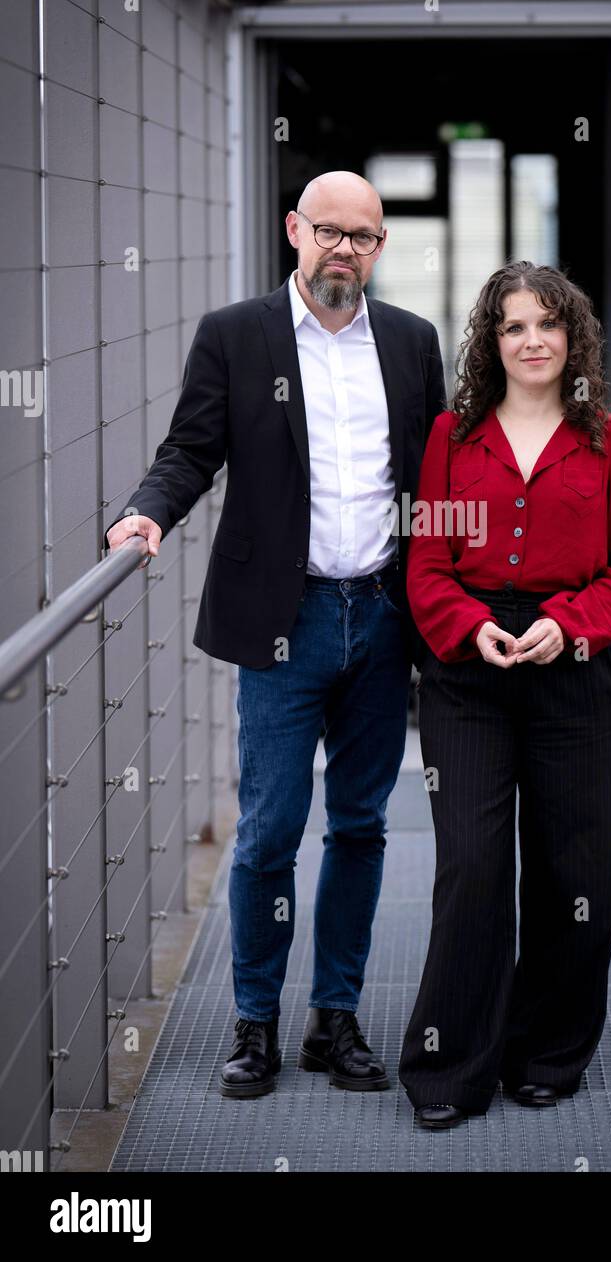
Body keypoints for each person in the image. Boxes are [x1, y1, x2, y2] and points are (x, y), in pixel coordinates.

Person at [103, 171, 445, 1098]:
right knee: (266, 833)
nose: (344, 248)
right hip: (281, 624)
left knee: (363, 826)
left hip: (380, 616)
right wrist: (147, 515)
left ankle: (335, 1020)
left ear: (379, 247)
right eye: (327, 230)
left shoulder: (412, 344)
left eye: (363, 236)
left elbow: (434, 482)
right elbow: (190, 449)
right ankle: (255, 1024)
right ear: (294, 230)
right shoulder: (236, 335)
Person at [397, 260, 611, 1128]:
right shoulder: (452, 438)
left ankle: (546, 1052)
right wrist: (469, 624)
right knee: (470, 867)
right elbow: (426, 562)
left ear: (573, 338)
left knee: (572, 871)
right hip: (469, 673)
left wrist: (572, 623)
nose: (532, 340)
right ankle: (448, 1067)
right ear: (491, 341)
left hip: (578, 671)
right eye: (513, 326)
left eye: (548, 324)